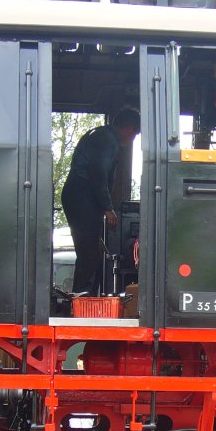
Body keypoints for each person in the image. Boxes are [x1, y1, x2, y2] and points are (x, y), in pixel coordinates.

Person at [62, 108, 141, 296]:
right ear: (129, 129)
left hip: (79, 198)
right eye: (135, 134)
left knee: (91, 252)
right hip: (83, 199)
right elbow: (98, 175)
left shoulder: (100, 135)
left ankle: (85, 297)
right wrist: (108, 208)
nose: (133, 139)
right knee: (89, 254)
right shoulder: (108, 141)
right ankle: (82, 298)